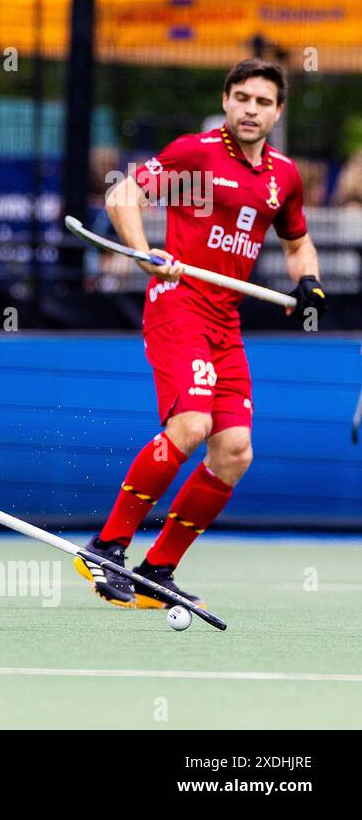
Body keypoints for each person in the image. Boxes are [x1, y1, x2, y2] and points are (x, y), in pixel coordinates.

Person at [88, 58, 326, 608]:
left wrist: (308, 280)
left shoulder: (282, 176)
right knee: (191, 424)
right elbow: (124, 196)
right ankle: (107, 547)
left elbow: (296, 244)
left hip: (226, 321)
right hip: (178, 305)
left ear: (277, 112)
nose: (251, 109)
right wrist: (147, 253)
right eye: (242, 97)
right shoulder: (195, 154)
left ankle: (158, 570)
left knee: (235, 450)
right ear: (226, 100)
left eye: (263, 102)